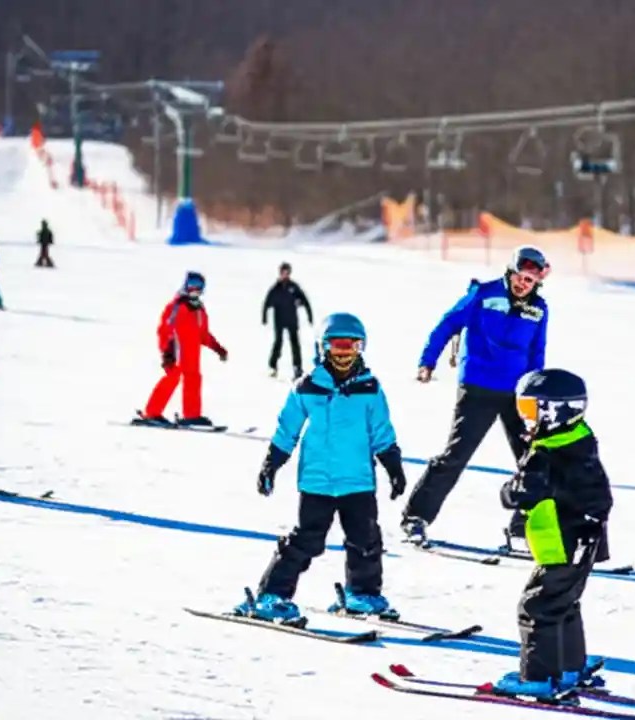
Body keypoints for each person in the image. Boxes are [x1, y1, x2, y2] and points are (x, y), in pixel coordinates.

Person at [235, 313, 407, 622]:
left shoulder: (370, 388)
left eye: (351, 346)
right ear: (323, 348)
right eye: (337, 346)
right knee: (307, 540)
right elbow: (287, 430)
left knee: (366, 539)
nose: (344, 353)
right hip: (318, 482)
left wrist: (394, 467)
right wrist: (271, 464)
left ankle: (362, 594)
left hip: (358, 482)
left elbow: (381, 431)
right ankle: (272, 595)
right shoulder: (307, 387)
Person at [401, 245, 551, 545]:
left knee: (535, 458)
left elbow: (537, 351)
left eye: (530, 281)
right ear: (510, 273)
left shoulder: (539, 310)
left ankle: (522, 527)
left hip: (518, 394)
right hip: (479, 385)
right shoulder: (483, 294)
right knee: (456, 454)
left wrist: (536, 390)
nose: (523, 285)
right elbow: (448, 324)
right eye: (520, 277)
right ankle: (415, 517)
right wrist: (427, 361)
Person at [493, 368, 612, 699]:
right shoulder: (579, 439)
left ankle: (538, 677)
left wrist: (508, 491)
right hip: (582, 542)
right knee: (565, 603)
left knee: (537, 607)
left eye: (530, 410)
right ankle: (571, 667)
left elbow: (521, 493)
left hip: (561, 544)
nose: (525, 419)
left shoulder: (546, 453)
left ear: (555, 411)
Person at [135, 272, 228, 427]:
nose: (195, 288)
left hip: (192, 354)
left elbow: (203, 334)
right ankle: (151, 413)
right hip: (177, 352)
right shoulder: (177, 306)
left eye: (199, 286)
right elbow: (165, 329)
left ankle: (191, 416)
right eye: (192, 284)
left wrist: (218, 349)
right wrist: (166, 351)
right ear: (185, 285)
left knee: (193, 380)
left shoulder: (199, 308)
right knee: (172, 378)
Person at [262, 261, 313, 379]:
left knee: (295, 344)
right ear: (280, 273)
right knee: (278, 343)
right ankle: (273, 366)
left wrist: (310, 316)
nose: (285, 275)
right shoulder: (275, 289)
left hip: (292, 321)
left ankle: (297, 368)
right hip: (279, 320)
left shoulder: (293, 287)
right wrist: (264, 317)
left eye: (287, 272)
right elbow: (266, 303)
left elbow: (305, 300)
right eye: (283, 272)